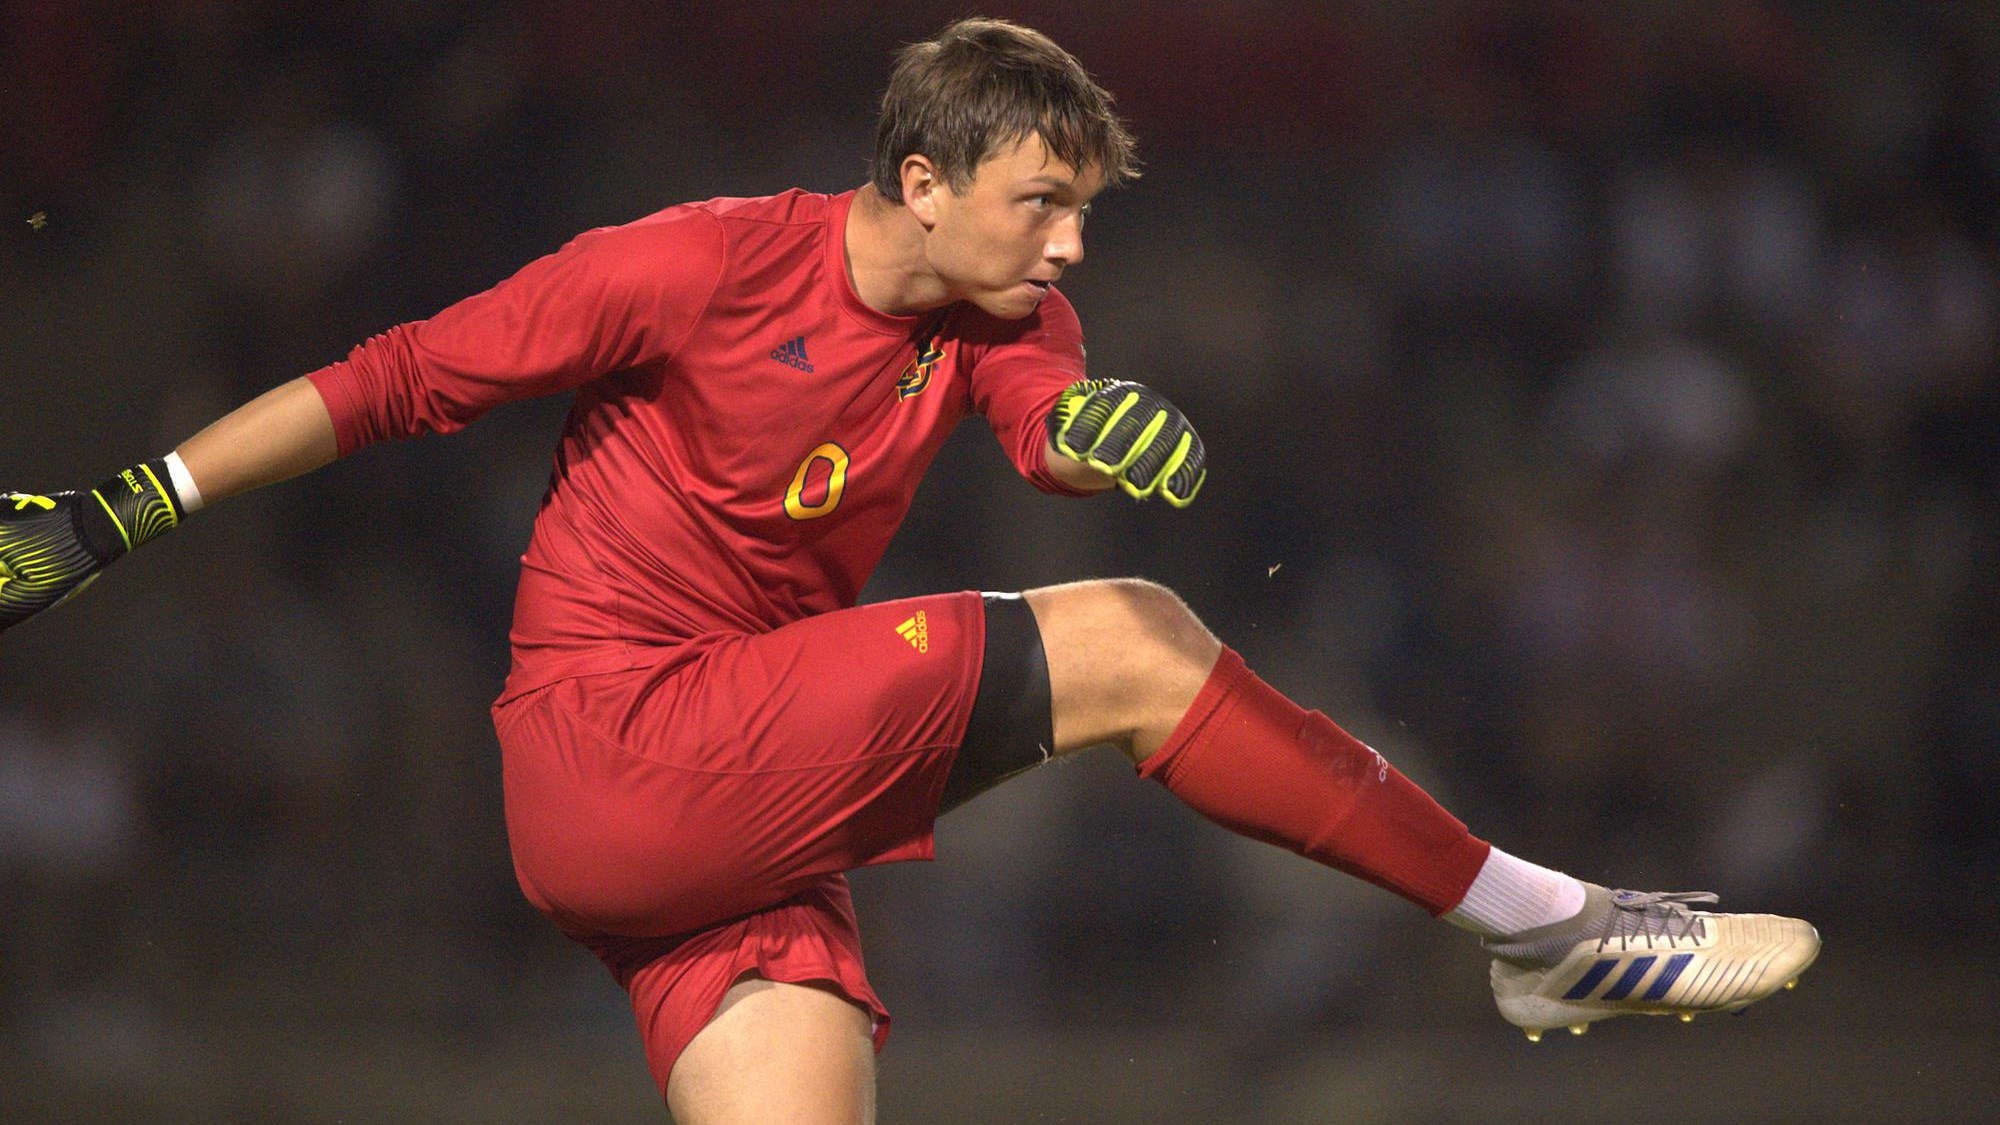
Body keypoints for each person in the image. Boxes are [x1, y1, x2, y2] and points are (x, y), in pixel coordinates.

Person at [0, 18, 1818, 1124]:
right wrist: (119, 509)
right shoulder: (695, 262)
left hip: (737, 836)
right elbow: (394, 376)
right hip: (617, 742)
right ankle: (1545, 930)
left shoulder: (1007, 308)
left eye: (1085, 205)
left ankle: (1542, 939)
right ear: (923, 176)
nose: (1072, 236)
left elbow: (1044, 412)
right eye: (1043, 197)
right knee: (1137, 641)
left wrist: (1090, 432)